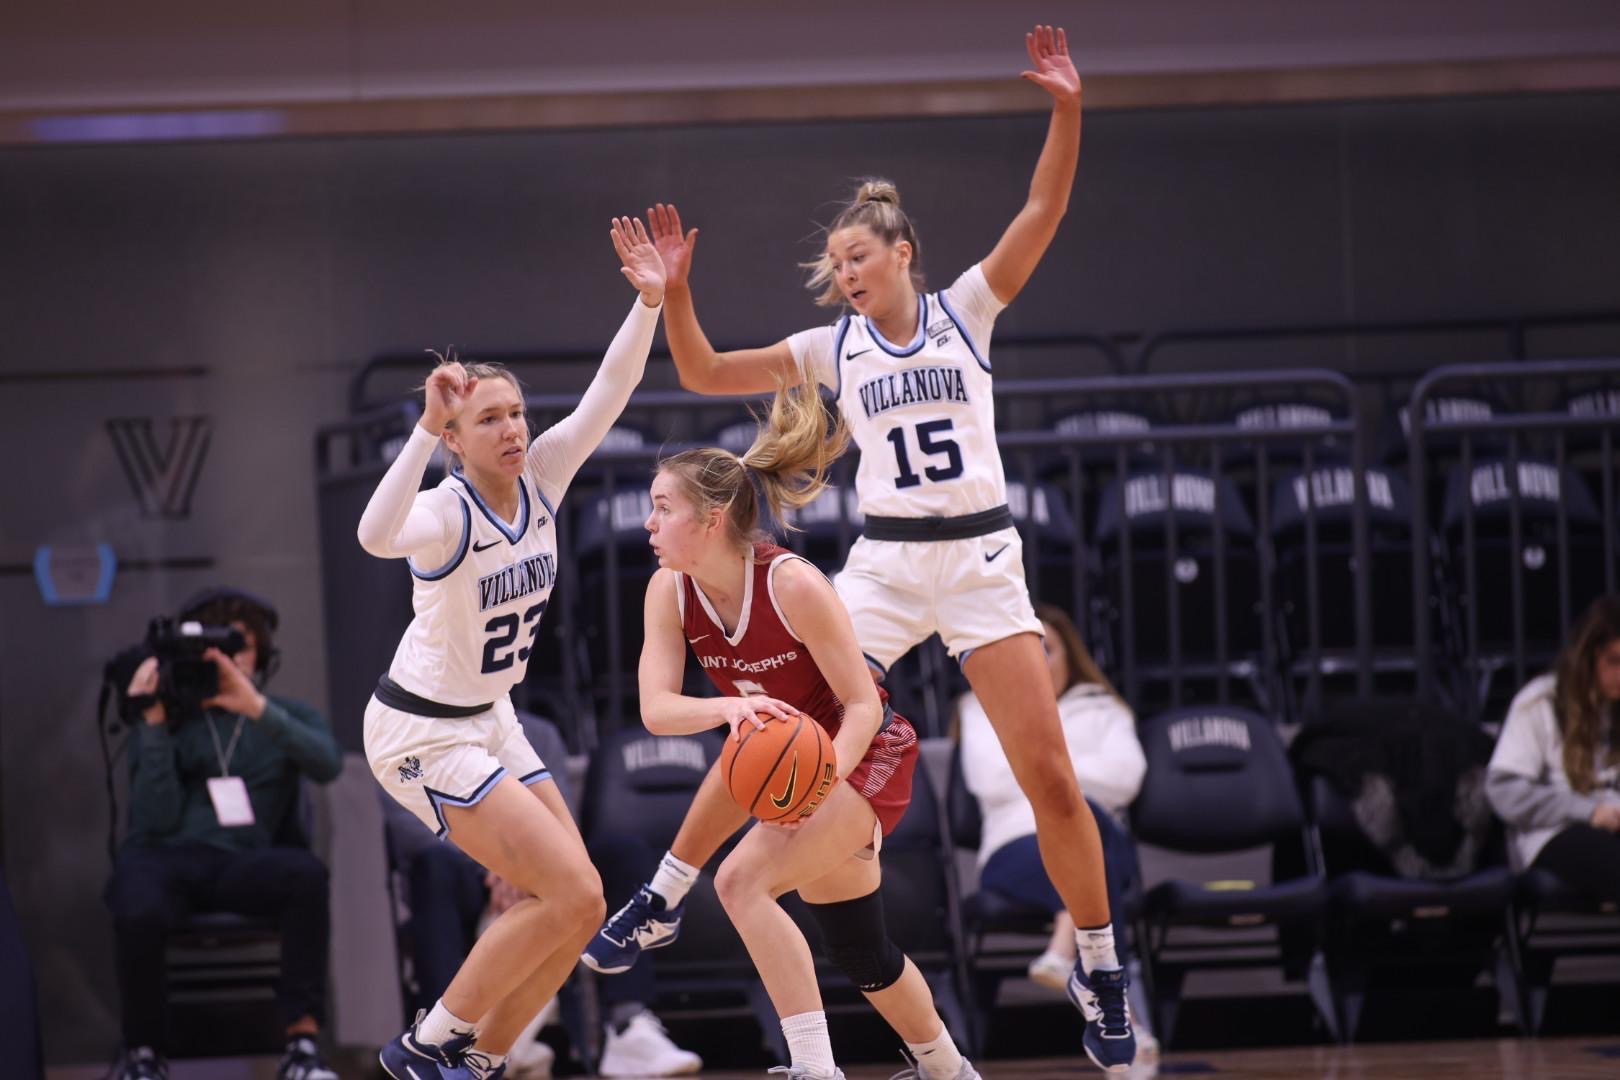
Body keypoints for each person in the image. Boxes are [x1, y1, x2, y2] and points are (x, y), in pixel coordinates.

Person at [585, 24, 1136, 1071]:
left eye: (857, 257)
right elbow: (702, 373)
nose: (844, 273)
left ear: (902, 254)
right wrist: (676, 290)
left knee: (1051, 778)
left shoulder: (967, 310)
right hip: (886, 562)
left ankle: (1101, 965)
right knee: (774, 718)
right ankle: (662, 893)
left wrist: (1067, 107)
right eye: (834, 263)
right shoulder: (827, 348)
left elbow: (1043, 209)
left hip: (978, 559)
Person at [357, 217, 665, 1080]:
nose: (511, 428)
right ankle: (426, 1042)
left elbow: (609, 391)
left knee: (582, 903)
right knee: (568, 891)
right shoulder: (443, 512)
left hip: (491, 718)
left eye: (517, 412)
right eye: (487, 418)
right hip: (422, 731)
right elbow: (373, 534)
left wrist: (648, 302)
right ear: (456, 441)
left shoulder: (544, 476)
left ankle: (484, 1061)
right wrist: (424, 427)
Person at [635, 418, 983, 1080]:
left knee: (740, 882)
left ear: (710, 520)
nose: (648, 523)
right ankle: (949, 1070)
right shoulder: (668, 589)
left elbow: (863, 705)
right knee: (861, 949)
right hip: (798, 759)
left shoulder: (792, 584)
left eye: (662, 508)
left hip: (864, 751)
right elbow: (656, 710)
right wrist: (728, 708)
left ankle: (816, 1068)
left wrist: (821, 783)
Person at [106, 588, 343, 1080]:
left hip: (246, 861)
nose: (229, 660)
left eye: (241, 647)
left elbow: (327, 764)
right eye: (215, 650)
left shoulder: (284, 715)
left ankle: (302, 1047)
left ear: (263, 656)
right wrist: (153, 722)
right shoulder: (171, 718)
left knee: (306, 876)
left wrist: (256, 708)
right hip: (170, 858)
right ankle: (143, 1054)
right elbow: (155, 820)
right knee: (135, 891)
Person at [957, 604, 1156, 1057]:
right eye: (1022, 649)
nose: (1036, 659)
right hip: (1014, 847)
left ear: (1070, 655)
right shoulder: (979, 707)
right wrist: (1067, 772)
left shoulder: (1103, 708)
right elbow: (990, 779)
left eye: (1046, 648)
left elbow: (1126, 776)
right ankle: (1120, 1018)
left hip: (1099, 836)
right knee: (1088, 843)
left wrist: (1039, 770)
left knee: (1085, 823)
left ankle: (1067, 951)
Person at [1487, 593, 1620, 904]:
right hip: (1556, 830)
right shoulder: (1540, 702)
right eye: (1614, 662)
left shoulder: (1614, 707)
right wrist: (1588, 811)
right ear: (1588, 658)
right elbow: (1504, 791)